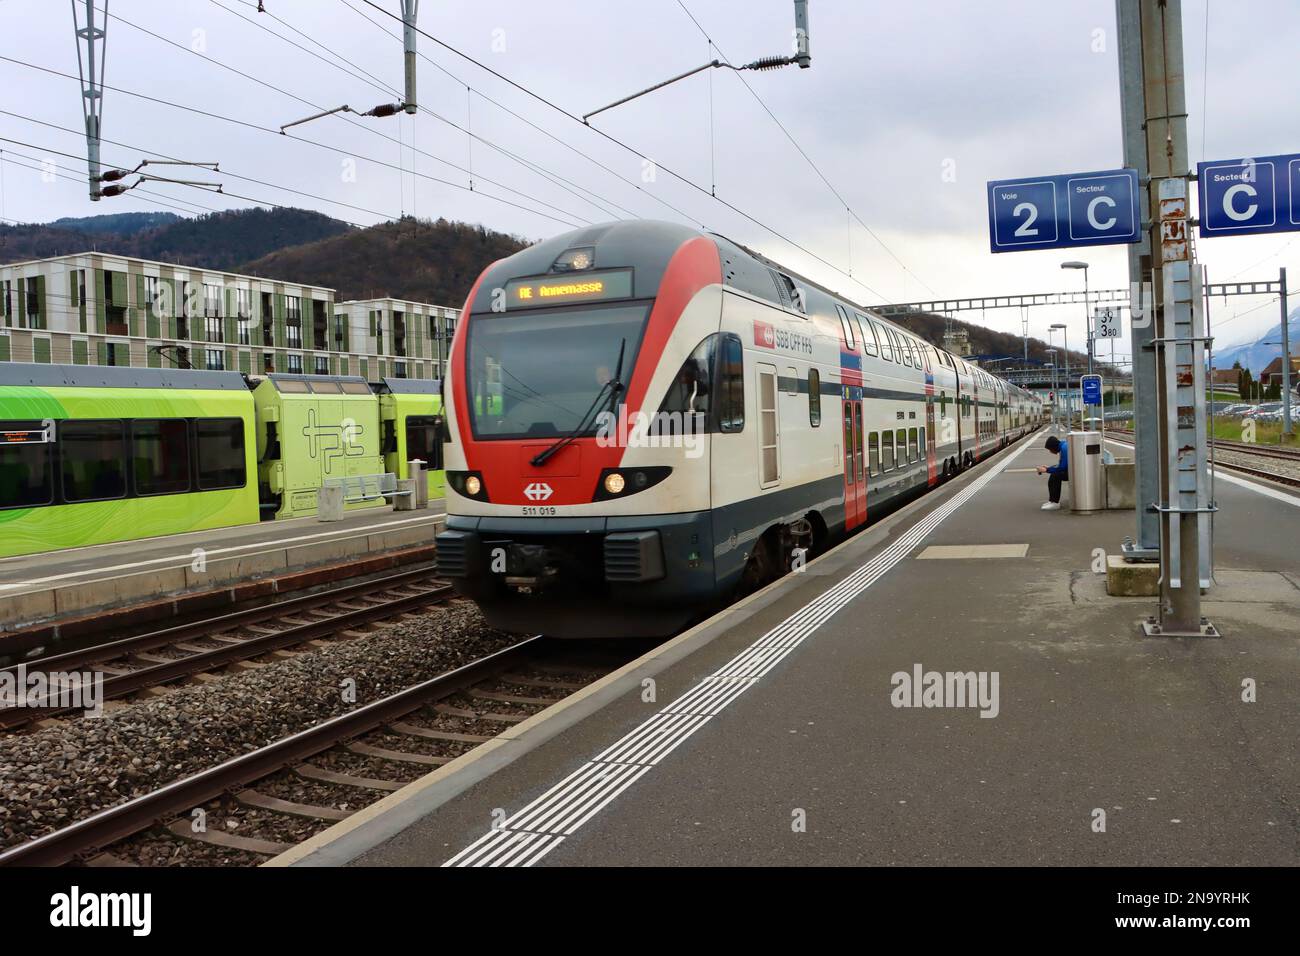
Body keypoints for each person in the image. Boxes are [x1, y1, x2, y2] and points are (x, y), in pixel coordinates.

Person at [1037, 435, 1068, 510]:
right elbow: (1062, 465)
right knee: (1055, 475)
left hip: (1076, 473)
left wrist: (1046, 470)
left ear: (1054, 447)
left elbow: (1062, 467)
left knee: (1055, 476)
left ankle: (1055, 503)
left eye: (1050, 449)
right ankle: (1052, 501)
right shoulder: (1064, 445)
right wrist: (1049, 468)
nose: (1050, 452)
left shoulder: (1064, 448)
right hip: (1077, 470)